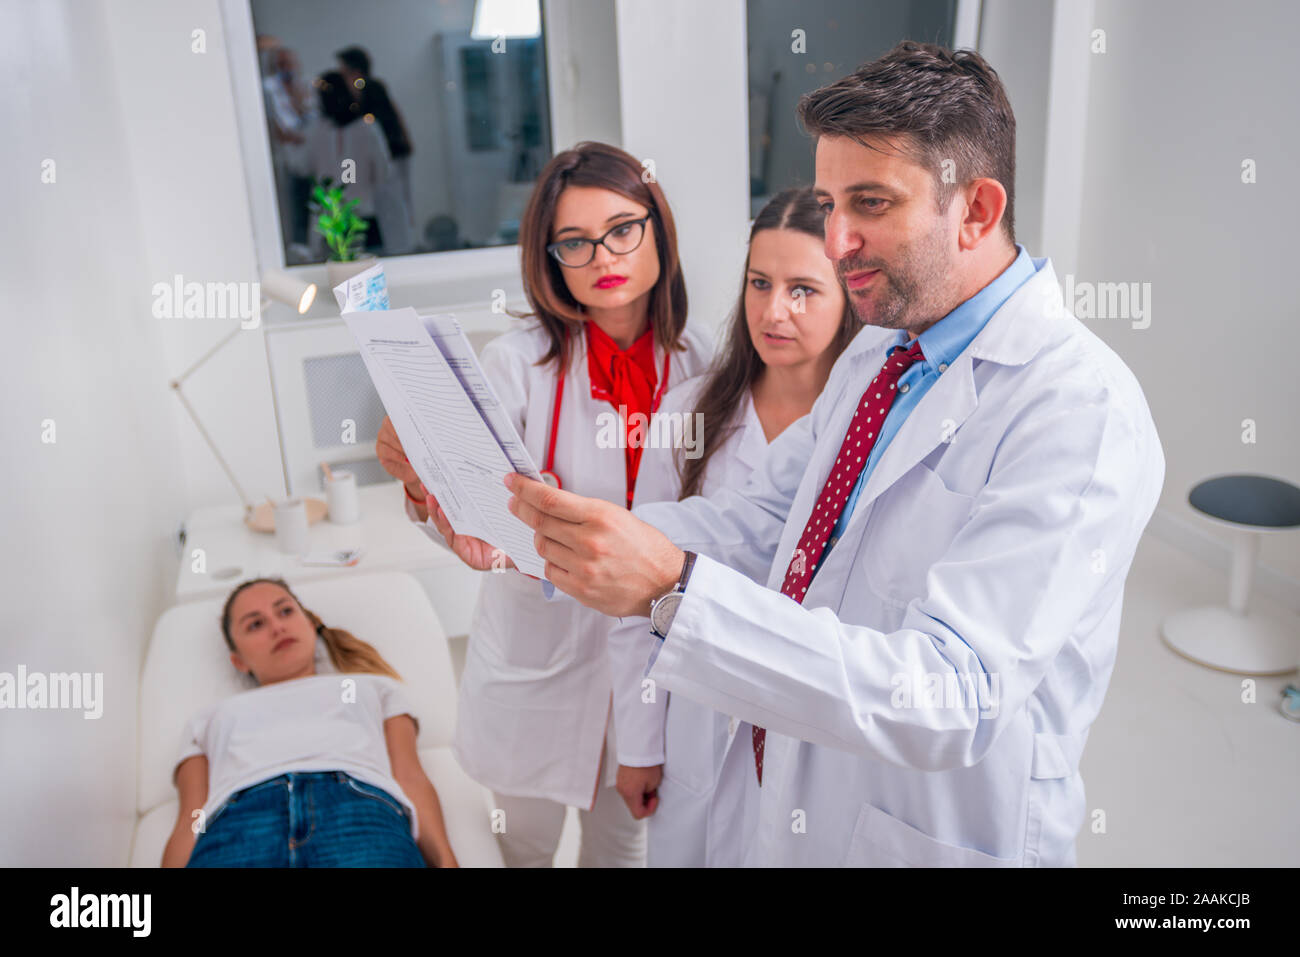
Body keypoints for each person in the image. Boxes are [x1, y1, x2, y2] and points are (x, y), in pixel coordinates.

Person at [428, 42, 1167, 867]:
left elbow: (953, 694)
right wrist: (582, 537)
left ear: (978, 210)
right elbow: (763, 517)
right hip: (793, 790)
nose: (838, 238)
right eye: (828, 203)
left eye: (872, 203)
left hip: (927, 831)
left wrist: (674, 590)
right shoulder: (879, 355)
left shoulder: (1078, 408)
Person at [375, 142, 714, 866]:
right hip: (536, 660)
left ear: (658, 227)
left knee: (621, 849)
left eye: (624, 228)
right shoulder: (516, 363)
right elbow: (468, 515)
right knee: (522, 845)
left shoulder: (705, 362)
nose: (603, 255)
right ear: (549, 255)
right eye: (575, 241)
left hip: (649, 672)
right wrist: (419, 483)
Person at [607, 186, 861, 866]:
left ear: (850, 301)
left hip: (816, 711)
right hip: (701, 711)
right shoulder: (694, 409)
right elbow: (640, 587)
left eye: (804, 288)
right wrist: (640, 745)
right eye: (759, 283)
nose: (774, 311)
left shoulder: (865, 427)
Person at [163, 578, 458, 868]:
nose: (277, 627)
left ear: (310, 623)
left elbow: (410, 777)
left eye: (285, 611)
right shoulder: (208, 719)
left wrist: (445, 860)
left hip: (356, 811)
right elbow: (191, 816)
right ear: (238, 660)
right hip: (239, 827)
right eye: (256, 624)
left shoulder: (375, 689)